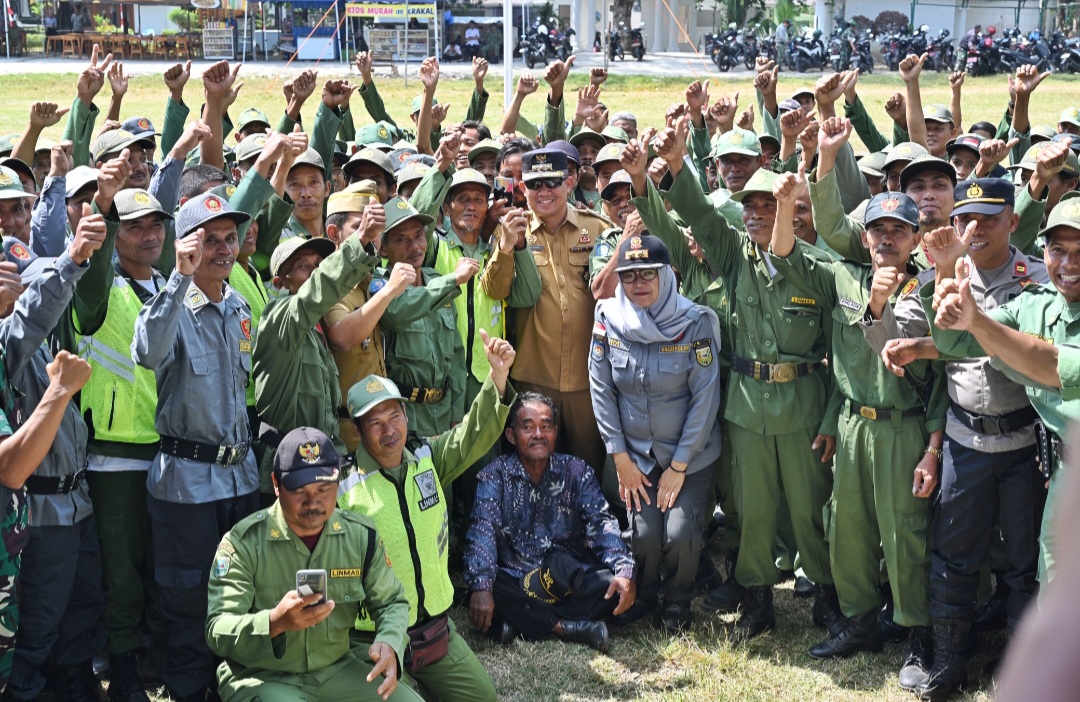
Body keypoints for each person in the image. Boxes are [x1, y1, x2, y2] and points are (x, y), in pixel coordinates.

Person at [770, 179, 947, 690]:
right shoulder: (845, 280)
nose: (886, 239)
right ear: (864, 237)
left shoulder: (932, 287)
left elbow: (933, 381)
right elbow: (841, 366)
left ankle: (918, 633)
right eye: (877, 230)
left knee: (905, 536)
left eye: (898, 230)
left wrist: (933, 450)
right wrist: (830, 422)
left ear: (916, 237)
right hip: (851, 424)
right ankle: (862, 619)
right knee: (846, 529)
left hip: (903, 430)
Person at [878, 179, 1049, 699]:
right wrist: (912, 335)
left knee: (1022, 563)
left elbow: (1013, 346)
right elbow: (940, 337)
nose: (974, 230)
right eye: (965, 219)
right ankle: (950, 658)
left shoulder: (1037, 278)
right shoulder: (947, 274)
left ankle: (1017, 661)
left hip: (1020, 440)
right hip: (963, 438)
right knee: (953, 554)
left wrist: (934, 339)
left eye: (989, 218)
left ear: (1013, 222)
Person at [337, 331, 518, 702]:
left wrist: (497, 378)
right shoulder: (342, 489)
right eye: (375, 422)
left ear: (406, 414)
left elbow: (470, 436)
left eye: (395, 415)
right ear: (356, 430)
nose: (390, 430)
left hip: (434, 630)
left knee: (483, 697)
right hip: (375, 639)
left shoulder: (426, 458)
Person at [131, 191, 260, 702]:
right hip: (186, 484)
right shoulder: (171, 303)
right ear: (187, 245)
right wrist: (180, 277)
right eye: (210, 240)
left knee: (240, 589)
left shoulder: (240, 305)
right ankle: (189, 689)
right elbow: (147, 352)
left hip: (240, 477)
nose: (224, 249)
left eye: (230, 238)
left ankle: (233, 686)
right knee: (187, 599)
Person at [206, 427, 421, 702]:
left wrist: (390, 642)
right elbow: (217, 628)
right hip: (262, 676)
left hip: (336, 670)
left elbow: (392, 602)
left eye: (323, 488)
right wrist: (274, 623)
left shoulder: (360, 536)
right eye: (300, 490)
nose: (313, 501)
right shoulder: (243, 544)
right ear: (275, 483)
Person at [588, 235, 722, 632]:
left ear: (667, 275)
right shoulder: (607, 317)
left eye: (649, 273)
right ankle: (644, 595)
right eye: (629, 275)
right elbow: (600, 387)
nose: (639, 283)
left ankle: (678, 600)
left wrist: (680, 465)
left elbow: (705, 398)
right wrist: (620, 457)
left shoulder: (693, 321)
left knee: (679, 534)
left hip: (690, 457)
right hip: (636, 458)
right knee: (645, 536)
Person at [0, 223, 107, 702]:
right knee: (36, 626)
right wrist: (74, 258)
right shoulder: (16, 338)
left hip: (74, 499)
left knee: (77, 608)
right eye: (20, 283)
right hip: (39, 509)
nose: (25, 292)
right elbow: (35, 314)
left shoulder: (39, 342)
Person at [464, 391, 637, 650]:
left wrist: (624, 570)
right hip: (516, 580)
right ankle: (567, 628)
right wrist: (482, 586)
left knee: (613, 583)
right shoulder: (494, 476)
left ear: (555, 432)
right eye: (527, 427)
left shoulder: (577, 471)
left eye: (546, 426)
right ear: (511, 436)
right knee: (486, 587)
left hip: (568, 581)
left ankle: (520, 623)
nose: (538, 434)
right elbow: (482, 530)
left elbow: (601, 523)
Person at [483, 148, 613, 477]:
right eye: (535, 183)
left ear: (569, 182)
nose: (544, 192)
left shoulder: (596, 228)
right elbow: (494, 291)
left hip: (587, 377)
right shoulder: (512, 229)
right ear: (522, 188)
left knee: (588, 466)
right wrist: (507, 245)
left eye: (552, 182)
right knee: (533, 467)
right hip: (533, 374)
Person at [253, 199, 386, 500]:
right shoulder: (279, 317)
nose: (314, 272)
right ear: (280, 281)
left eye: (319, 265)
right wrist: (360, 239)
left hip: (322, 459)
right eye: (303, 267)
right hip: (286, 466)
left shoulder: (317, 330)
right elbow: (316, 292)